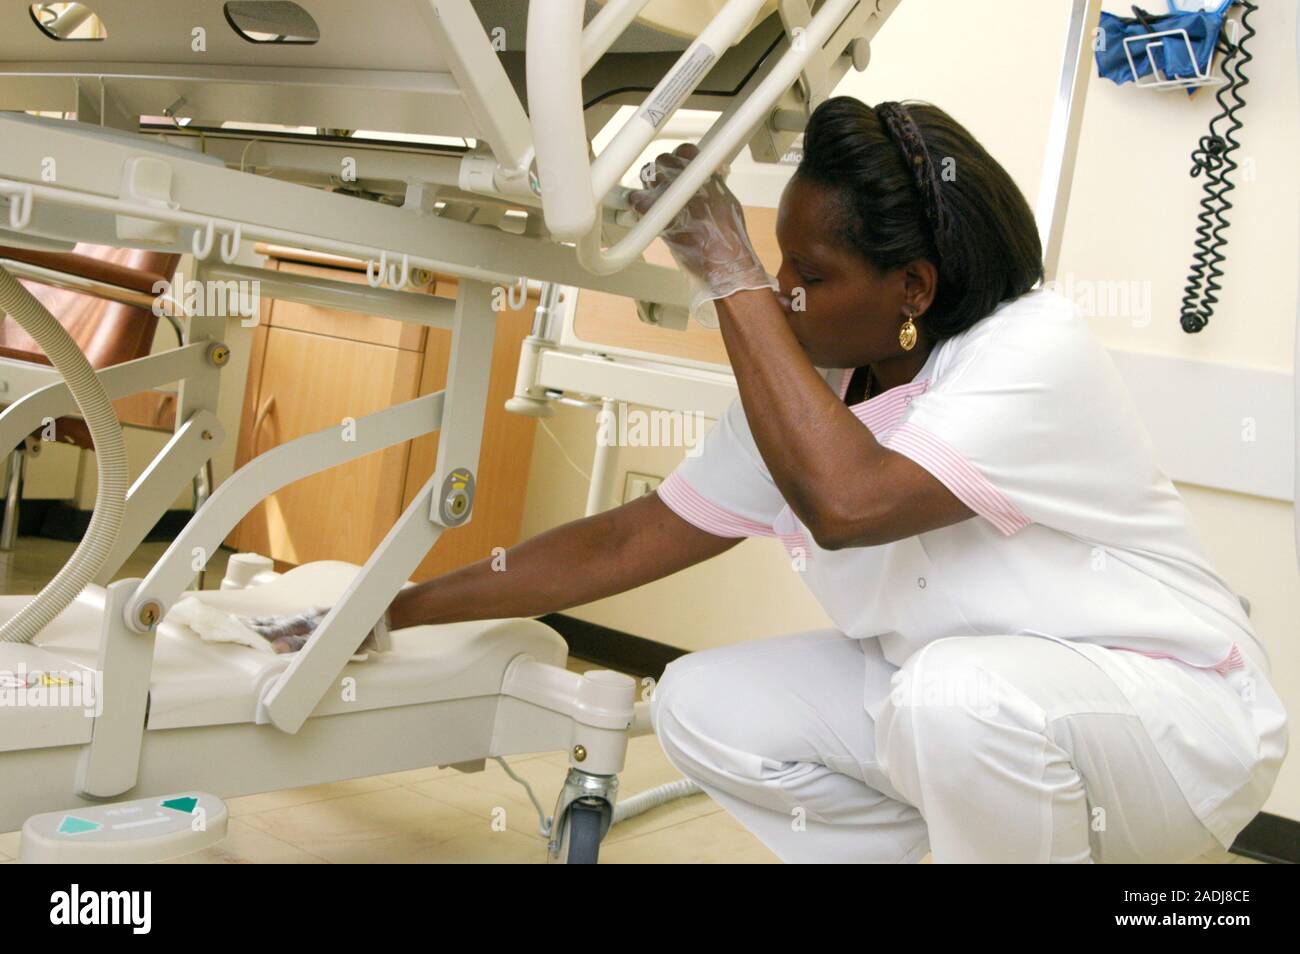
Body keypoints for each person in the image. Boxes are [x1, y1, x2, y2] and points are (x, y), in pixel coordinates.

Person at [244, 96, 1287, 863]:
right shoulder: (821, 384)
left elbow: (850, 504)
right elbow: (629, 538)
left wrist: (734, 280)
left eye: (809, 276)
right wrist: (391, 608)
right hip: (963, 712)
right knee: (705, 702)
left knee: (956, 699)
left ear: (912, 288)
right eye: (778, 267)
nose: (784, 296)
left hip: (1166, 724)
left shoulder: (1032, 351)